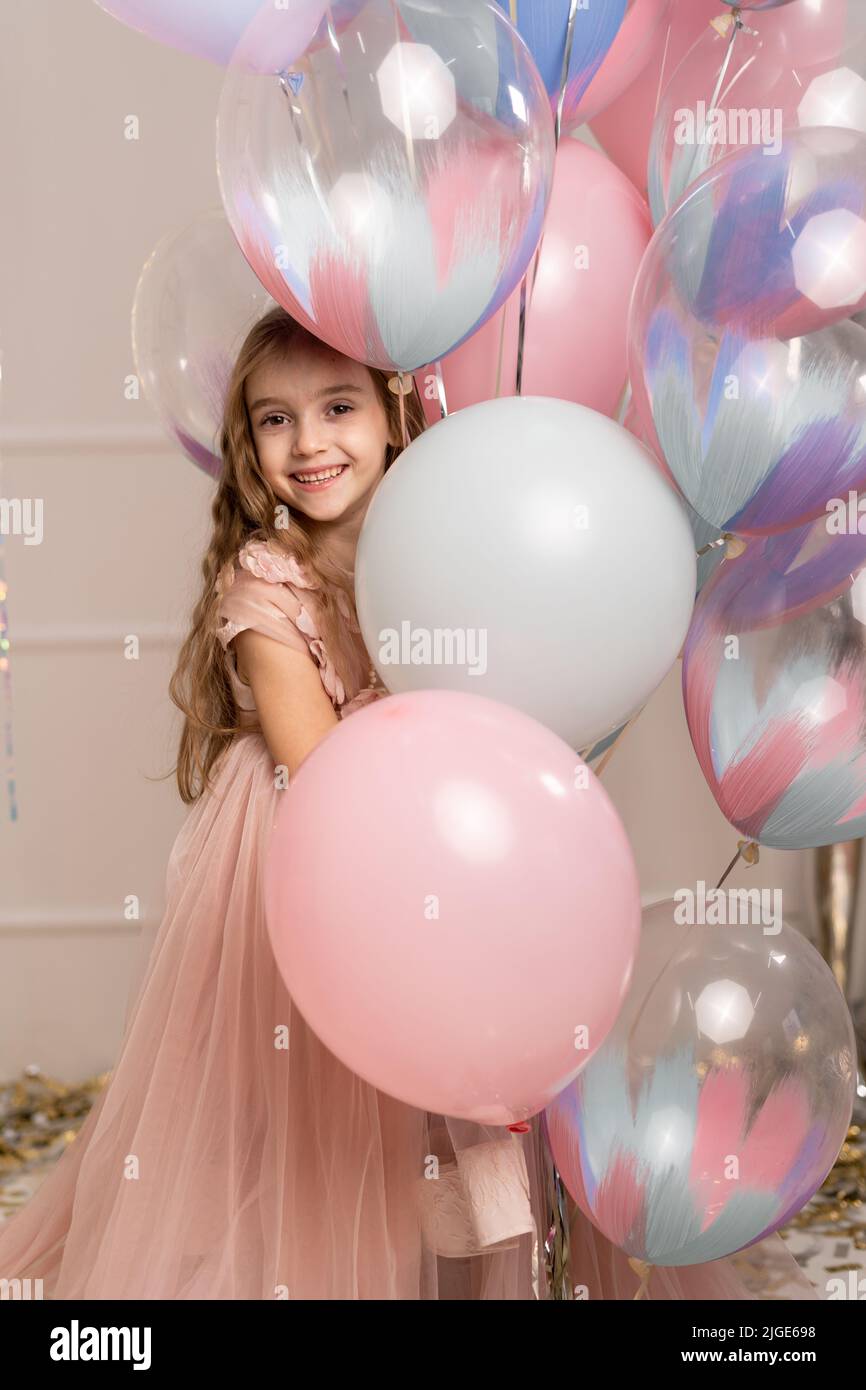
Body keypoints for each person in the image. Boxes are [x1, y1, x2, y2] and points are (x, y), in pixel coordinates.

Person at [0, 307, 819, 1300]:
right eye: (274, 420)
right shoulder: (265, 581)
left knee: (468, 1073)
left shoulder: (452, 536)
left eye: (336, 406)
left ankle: (478, 1254)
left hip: (452, 835)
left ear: (393, 411)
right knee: (328, 1091)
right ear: (247, 449)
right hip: (323, 840)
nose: (308, 442)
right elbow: (324, 769)